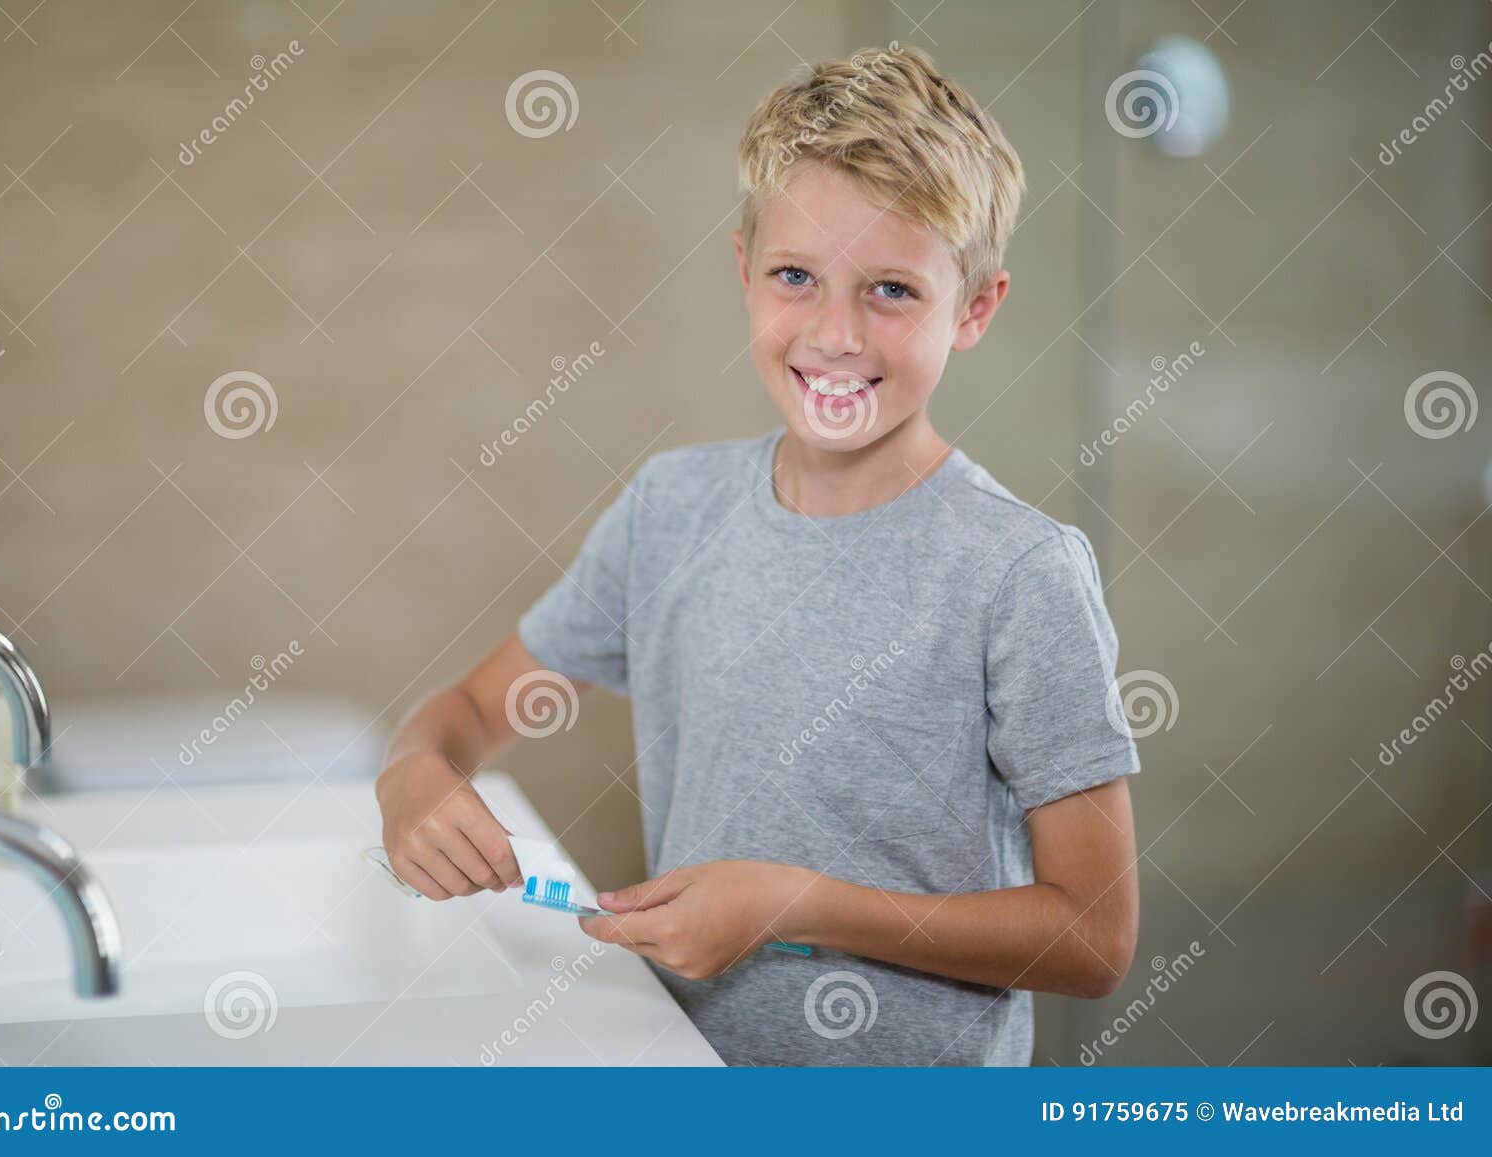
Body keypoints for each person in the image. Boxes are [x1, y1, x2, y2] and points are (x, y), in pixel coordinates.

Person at [377, 44, 1140, 1066]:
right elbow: (471, 711)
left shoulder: (1019, 571)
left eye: (891, 291)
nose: (834, 333)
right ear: (743, 268)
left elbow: (1092, 937)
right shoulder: (671, 509)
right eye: (795, 276)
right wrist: (411, 778)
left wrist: (801, 902)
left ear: (976, 308)